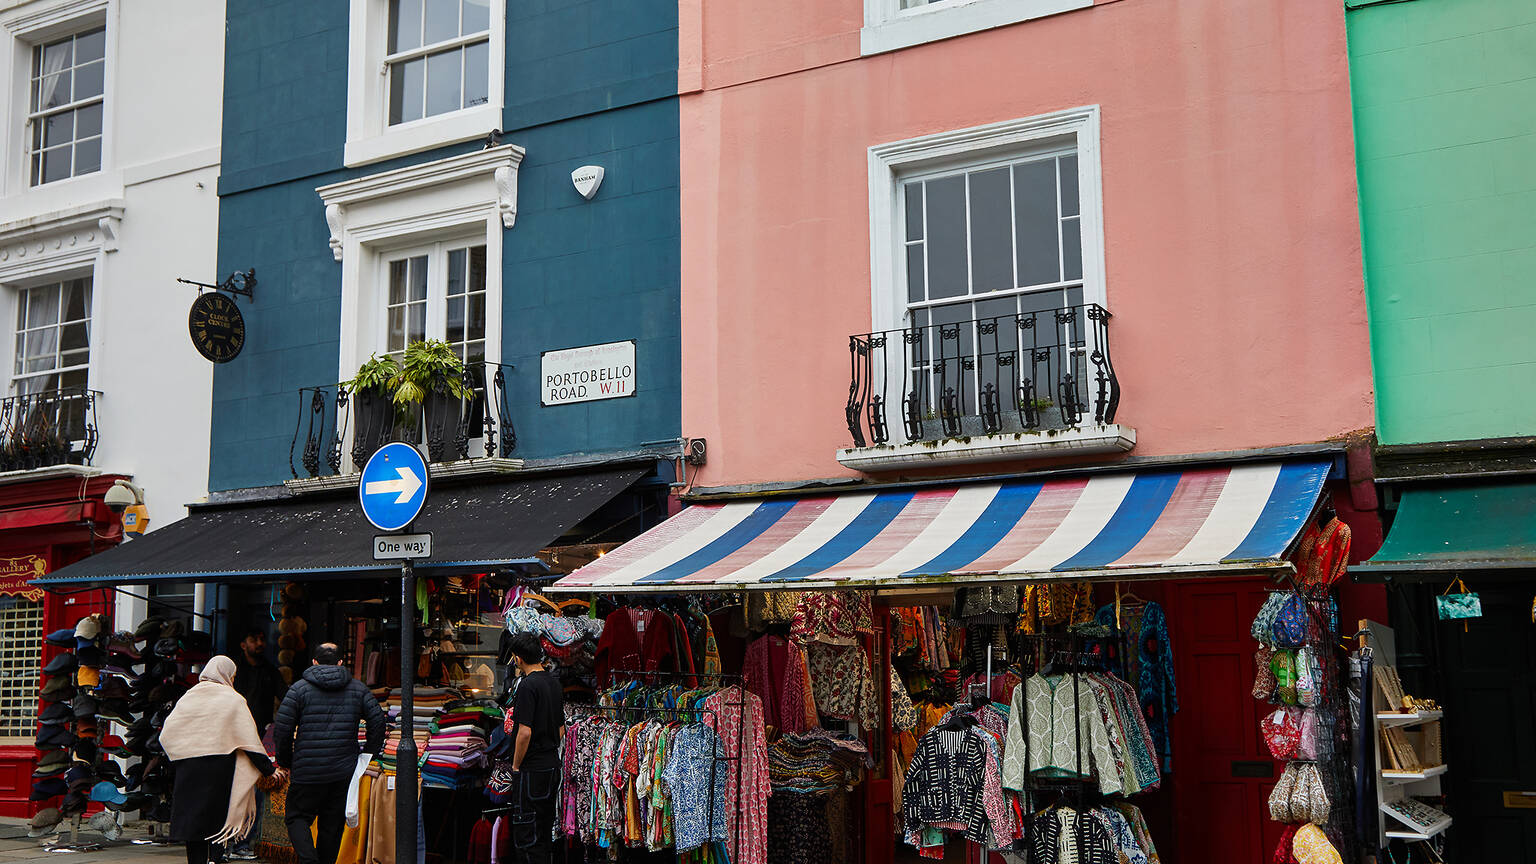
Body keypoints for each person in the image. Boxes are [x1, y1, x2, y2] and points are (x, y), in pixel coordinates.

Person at [161, 655, 282, 864]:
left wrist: (180, 756)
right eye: (233, 676)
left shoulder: (189, 697)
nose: (233, 681)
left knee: (194, 819)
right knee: (218, 818)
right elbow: (249, 742)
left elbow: (166, 735)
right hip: (219, 769)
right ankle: (215, 859)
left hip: (188, 767)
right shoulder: (233, 699)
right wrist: (269, 770)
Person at [273, 643, 385, 864]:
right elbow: (378, 721)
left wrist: (286, 760)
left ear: (314, 661)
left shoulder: (298, 689)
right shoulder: (358, 689)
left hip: (307, 770)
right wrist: (367, 754)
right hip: (342, 771)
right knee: (331, 826)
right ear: (341, 662)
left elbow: (282, 729)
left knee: (296, 817)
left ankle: (308, 860)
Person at [230, 627, 287, 860]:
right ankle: (229, 842)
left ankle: (242, 842)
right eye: (254, 638)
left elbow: (285, 696)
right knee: (234, 792)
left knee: (254, 791)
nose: (260, 643)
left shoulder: (269, 670)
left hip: (260, 739)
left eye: (262, 639)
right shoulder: (235, 671)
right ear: (243, 644)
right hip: (233, 739)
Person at [507, 633, 563, 864]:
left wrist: (516, 766)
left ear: (518, 659)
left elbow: (524, 732)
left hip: (531, 769)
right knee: (543, 833)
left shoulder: (528, 686)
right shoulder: (553, 681)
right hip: (551, 766)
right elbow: (561, 730)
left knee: (527, 837)